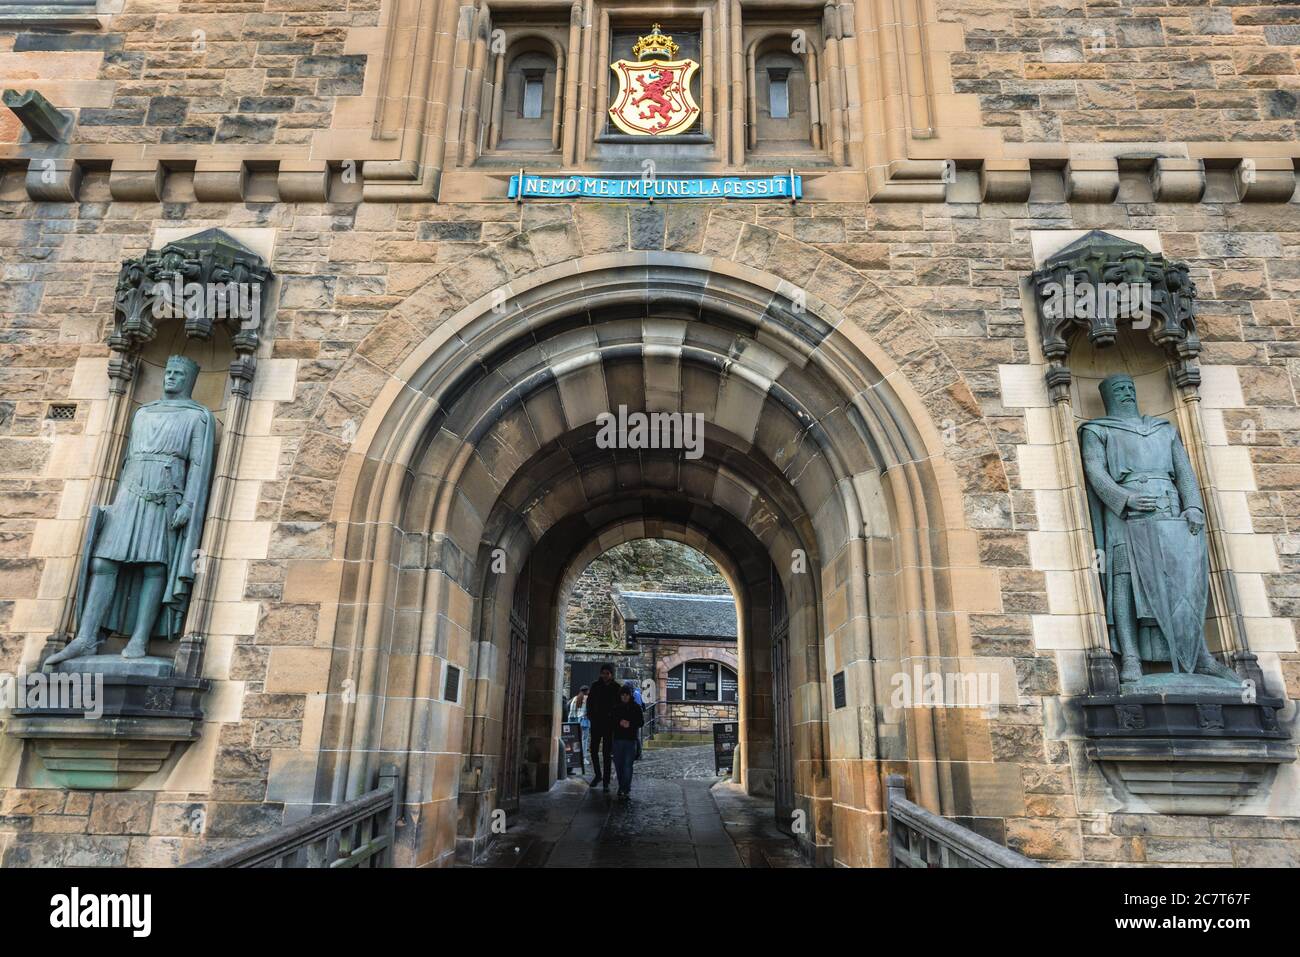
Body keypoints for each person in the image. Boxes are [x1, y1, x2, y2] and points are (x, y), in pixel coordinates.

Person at [585, 664, 622, 790]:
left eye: (607, 673)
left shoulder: (617, 688)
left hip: (609, 725)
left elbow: (619, 706)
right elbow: (589, 702)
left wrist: (614, 720)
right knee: (593, 750)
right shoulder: (595, 685)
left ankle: (606, 781)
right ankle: (598, 775)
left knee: (607, 753)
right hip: (596, 723)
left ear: (611, 674)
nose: (605, 675)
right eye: (603, 673)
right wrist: (591, 716)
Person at [612, 683, 645, 800]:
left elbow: (641, 722)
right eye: (623, 695)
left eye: (626, 695)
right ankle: (622, 786)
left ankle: (626, 788)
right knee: (619, 765)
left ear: (630, 695)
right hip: (618, 739)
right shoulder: (616, 707)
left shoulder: (636, 707)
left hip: (630, 740)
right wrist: (619, 722)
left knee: (627, 765)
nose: (625, 697)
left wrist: (630, 724)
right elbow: (611, 721)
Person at [568, 684, 590, 766]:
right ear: (587, 691)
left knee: (576, 740)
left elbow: (571, 712)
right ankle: (583, 758)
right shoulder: (587, 698)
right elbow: (588, 711)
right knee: (584, 740)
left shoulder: (575, 698)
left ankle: (576, 757)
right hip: (584, 721)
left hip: (574, 721)